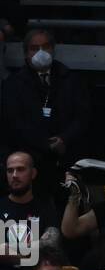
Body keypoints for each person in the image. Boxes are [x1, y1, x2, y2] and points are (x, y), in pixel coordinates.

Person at [1, 26, 90, 178]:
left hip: (66, 160)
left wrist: (64, 138)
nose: (40, 52)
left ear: (53, 49)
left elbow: (83, 116)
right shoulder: (13, 85)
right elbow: (13, 122)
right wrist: (45, 145)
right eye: (34, 48)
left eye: (45, 47)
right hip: (29, 163)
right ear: (26, 53)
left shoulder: (71, 80)